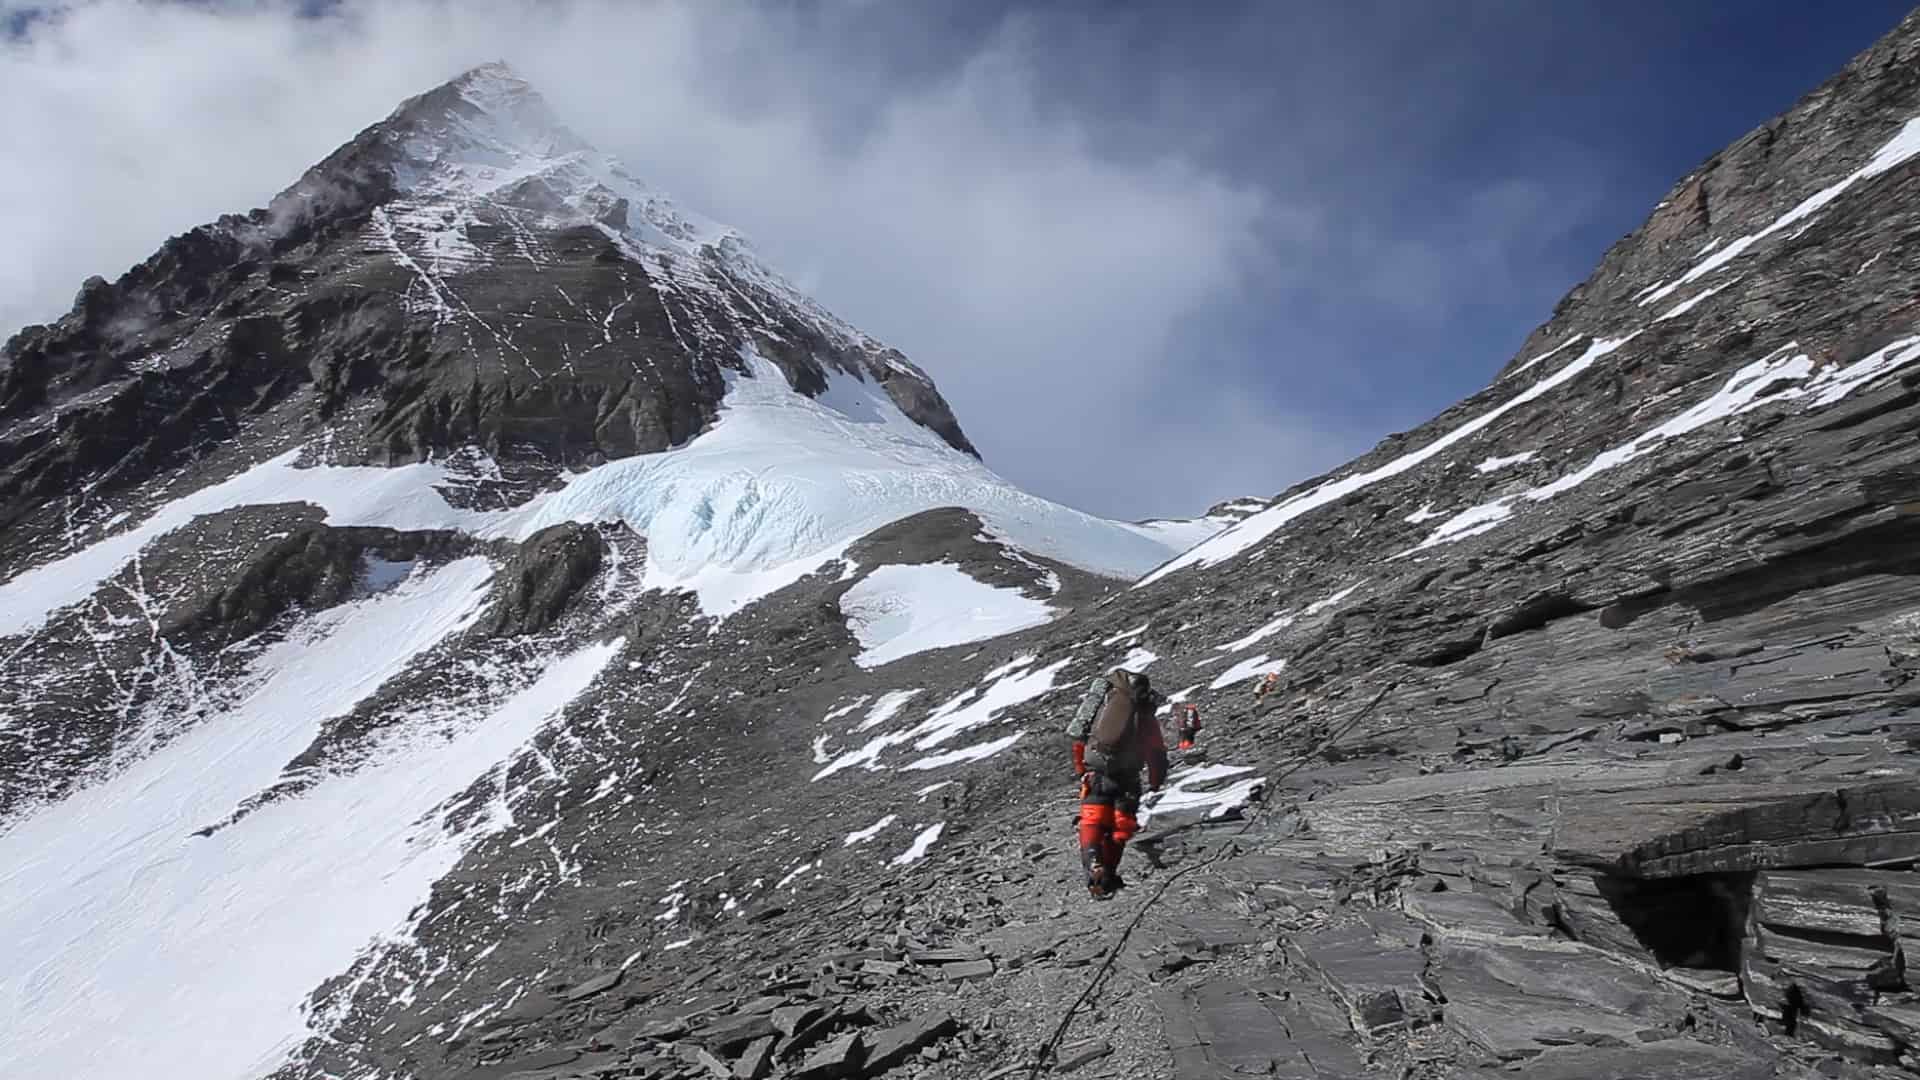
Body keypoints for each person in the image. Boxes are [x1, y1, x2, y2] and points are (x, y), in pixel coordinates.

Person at [1066, 669, 1169, 899]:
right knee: (1121, 827)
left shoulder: (1104, 703)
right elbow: (1156, 752)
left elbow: (1078, 737)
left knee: (1092, 820)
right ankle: (1109, 875)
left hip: (1097, 772)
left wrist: (1082, 770)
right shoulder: (1144, 714)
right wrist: (1155, 782)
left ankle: (1094, 864)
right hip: (1128, 779)